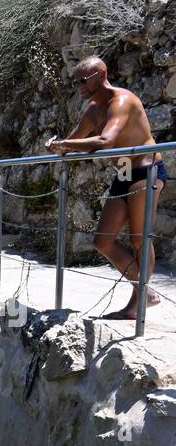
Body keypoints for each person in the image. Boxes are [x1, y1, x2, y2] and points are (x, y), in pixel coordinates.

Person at [48, 55, 167, 320]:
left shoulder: (122, 101)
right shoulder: (93, 109)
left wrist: (65, 146)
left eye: (83, 80)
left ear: (101, 75)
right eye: (75, 81)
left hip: (146, 171)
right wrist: (59, 146)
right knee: (102, 241)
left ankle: (136, 305)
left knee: (139, 240)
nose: (79, 86)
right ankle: (145, 291)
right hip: (123, 172)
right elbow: (75, 141)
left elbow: (105, 140)